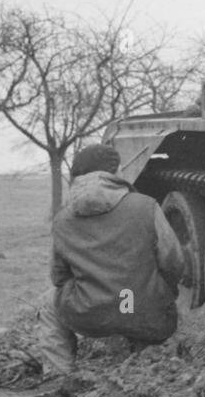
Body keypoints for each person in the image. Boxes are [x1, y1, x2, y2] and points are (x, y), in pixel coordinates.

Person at [34, 143, 185, 375]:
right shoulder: (146, 207)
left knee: (48, 302)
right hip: (138, 308)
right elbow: (173, 262)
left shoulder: (62, 220)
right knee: (138, 300)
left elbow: (58, 277)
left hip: (90, 314)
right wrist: (163, 292)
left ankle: (58, 377)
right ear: (115, 173)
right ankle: (146, 362)